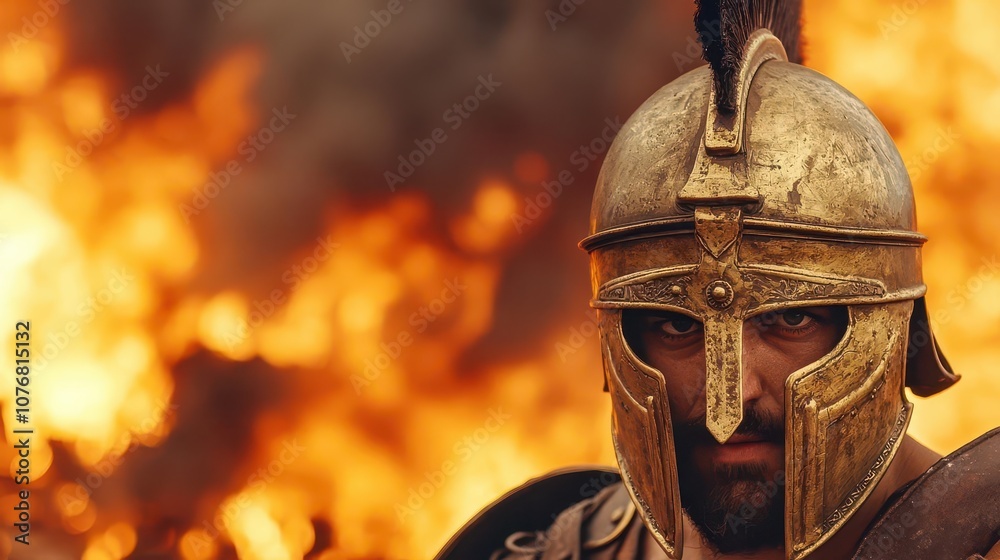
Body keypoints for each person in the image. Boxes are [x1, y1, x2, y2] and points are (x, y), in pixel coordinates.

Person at [435, 0, 1000, 558]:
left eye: (789, 318)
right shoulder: (562, 548)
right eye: (676, 323)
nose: (726, 404)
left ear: (898, 329)